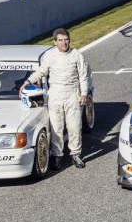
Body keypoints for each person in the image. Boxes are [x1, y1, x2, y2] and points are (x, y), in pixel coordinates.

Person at [20, 28, 91, 170]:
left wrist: (83, 93)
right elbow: (41, 71)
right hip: (55, 94)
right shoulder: (49, 55)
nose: (64, 43)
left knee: (74, 126)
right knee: (56, 127)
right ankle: (57, 155)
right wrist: (27, 82)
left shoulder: (77, 55)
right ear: (55, 42)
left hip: (72, 93)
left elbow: (83, 76)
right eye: (60, 40)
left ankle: (75, 154)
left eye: (66, 40)